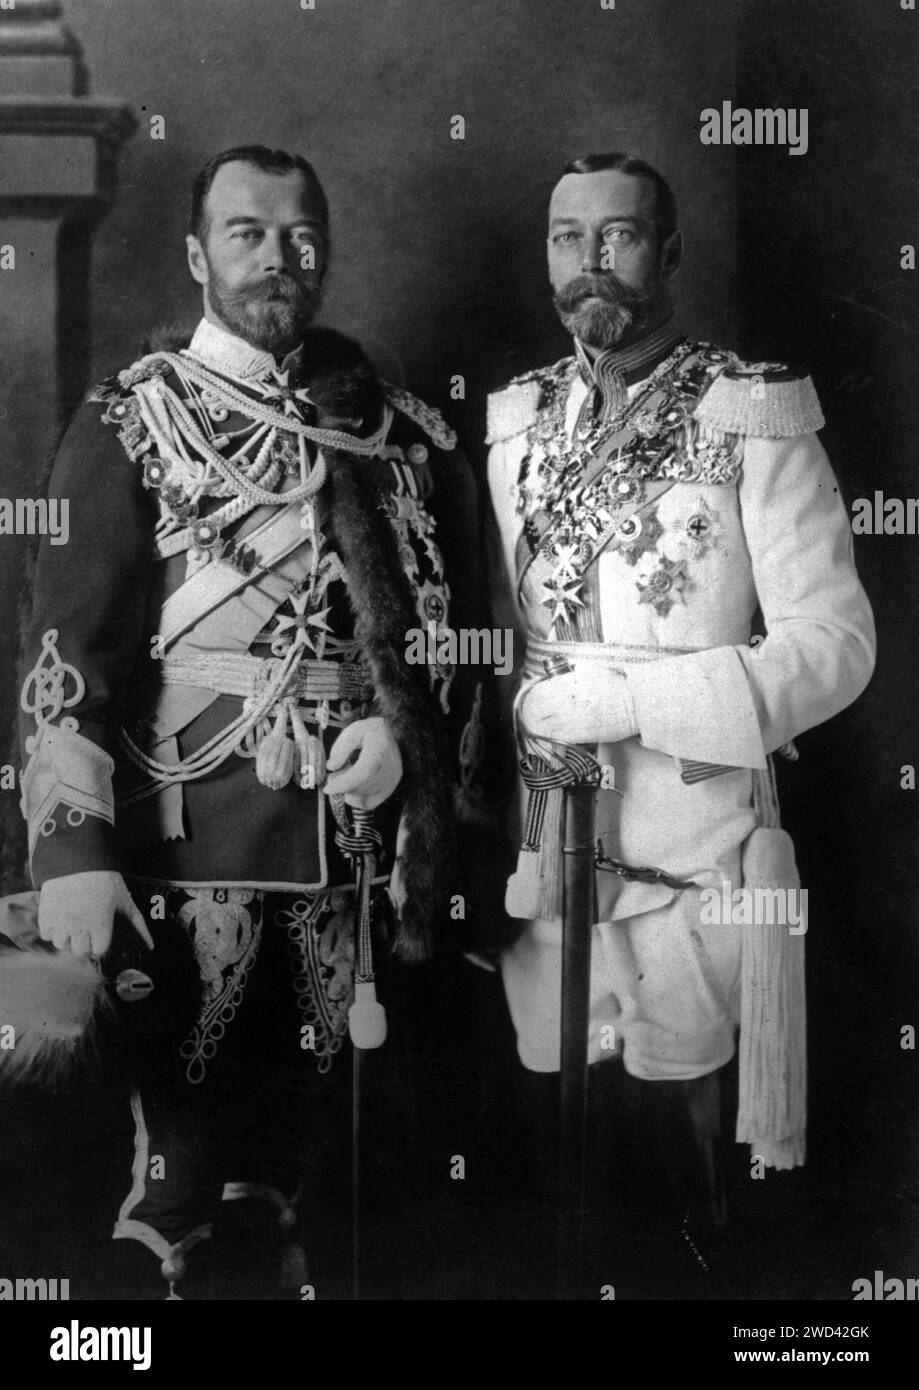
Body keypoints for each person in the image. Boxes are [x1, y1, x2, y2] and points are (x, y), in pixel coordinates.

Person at [13, 144, 469, 1298]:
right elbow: (67, 661)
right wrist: (70, 852)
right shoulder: (133, 421)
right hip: (186, 848)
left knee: (297, 1175)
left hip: (346, 858)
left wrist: (395, 732)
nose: (277, 256)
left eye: (299, 234)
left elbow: (422, 624)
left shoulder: (377, 418)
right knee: (176, 1179)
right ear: (196, 254)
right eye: (246, 232)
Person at [485, 152, 875, 1275]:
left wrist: (636, 698)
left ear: (670, 250)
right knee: (560, 1151)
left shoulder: (751, 413)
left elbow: (835, 647)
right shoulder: (515, 421)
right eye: (567, 237)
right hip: (546, 842)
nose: (590, 261)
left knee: (687, 1164)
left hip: (693, 848)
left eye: (619, 234)